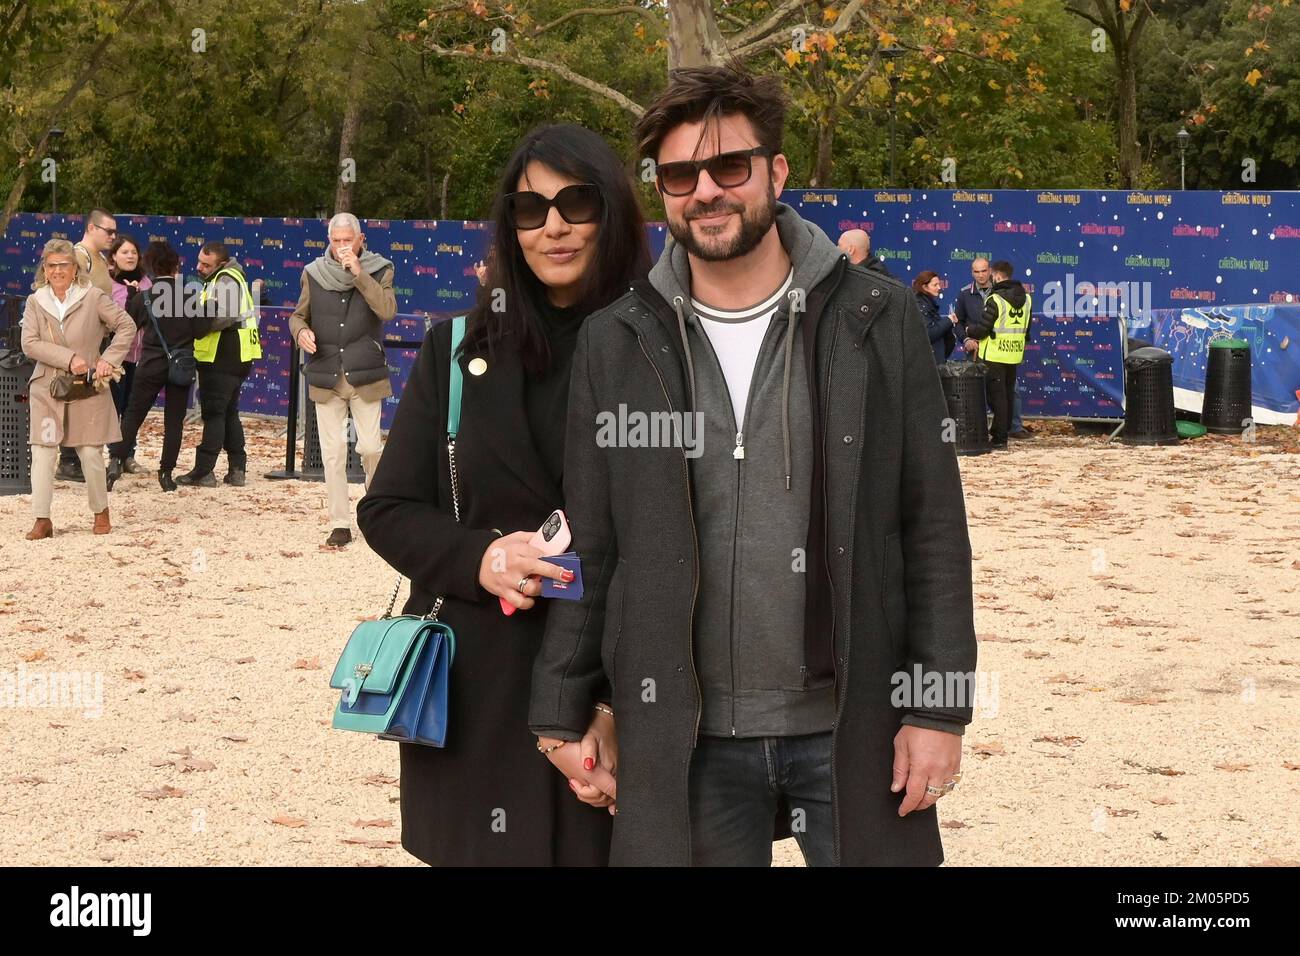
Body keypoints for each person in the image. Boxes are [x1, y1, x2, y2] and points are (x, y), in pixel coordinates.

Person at [529, 66, 977, 867]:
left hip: (855, 724)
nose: (706, 191)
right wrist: (562, 709)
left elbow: (932, 524)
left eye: (729, 166)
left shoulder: (878, 318)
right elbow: (591, 542)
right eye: (679, 175)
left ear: (775, 170)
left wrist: (940, 711)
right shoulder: (616, 340)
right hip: (683, 738)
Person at [357, 123, 651, 866]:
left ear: (610, 210)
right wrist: (481, 558)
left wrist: (609, 709)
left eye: (574, 203)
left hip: (620, 693)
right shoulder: (455, 350)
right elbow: (387, 510)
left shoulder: (663, 352)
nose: (552, 225)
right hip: (476, 697)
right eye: (529, 209)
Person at [289, 213, 395, 547]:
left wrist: (359, 274)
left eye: (348, 240)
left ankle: (376, 509)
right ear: (329, 240)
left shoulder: (380, 268)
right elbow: (297, 315)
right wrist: (301, 331)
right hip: (326, 372)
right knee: (333, 453)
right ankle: (339, 523)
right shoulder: (313, 272)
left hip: (365, 372)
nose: (342, 247)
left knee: (370, 447)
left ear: (361, 240)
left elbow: (387, 309)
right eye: (337, 241)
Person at [20, 238, 136, 538]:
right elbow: (29, 343)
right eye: (52, 265)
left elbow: (126, 326)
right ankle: (42, 519)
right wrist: (69, 358)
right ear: (44, 269)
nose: (58, 270)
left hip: (88, 388)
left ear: (75, 268)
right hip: (47, 389)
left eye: (64, 264)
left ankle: (101, 512)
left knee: (90, 452)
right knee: (43, 453)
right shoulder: (36, 301)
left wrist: (108, 360)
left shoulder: (93, 296)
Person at [108, 241, 194, 492]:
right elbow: (200, 329)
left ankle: (115, 463)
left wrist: (133, 297)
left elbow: (129, 322)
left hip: (151, 363)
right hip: (181, 363)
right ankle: (166, 474)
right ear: (176, 266)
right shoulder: (188, 296)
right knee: (174, 422)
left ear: (150, 267)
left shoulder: (145, 296)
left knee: (133, 416)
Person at [176, 241, 260, 487]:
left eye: (206, 264)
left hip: (222, 357)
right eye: (200, 261)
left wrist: (197, 325)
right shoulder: (231, 277)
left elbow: (221, 316)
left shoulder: (225, 279)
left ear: (221, 263)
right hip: (238, 356)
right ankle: (237, 470)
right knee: (228, 413)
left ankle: (204, 471)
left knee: (214, 413)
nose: (199, 267)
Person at [55, 208, 118, 483]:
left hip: (95, 338)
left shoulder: (99, 259)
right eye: (109, 231)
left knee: (85, 396)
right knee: (74, 395)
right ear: (92, 228)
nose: (113, 236)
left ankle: (76, 459)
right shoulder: (80, 257)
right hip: (78, 338)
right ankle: (69, 461)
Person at [955, 257, 1031, 438]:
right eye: (976, 272)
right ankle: (978, 430)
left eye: (983, 271)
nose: (980, 275)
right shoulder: (965, 293)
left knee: (1009, 391)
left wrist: (974, 331)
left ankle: (1012, 428)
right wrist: (966, 339)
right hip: (976, 350)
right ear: (971, 273)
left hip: (995, 350)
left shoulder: (1002, 292)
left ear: (991, 272)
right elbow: (958, 321)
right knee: (977, 392)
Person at [105, 234, 152, 485]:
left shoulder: (147, 284)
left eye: (133, 252)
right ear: (114, 256)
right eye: (125, 252)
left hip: (141, 356)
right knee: (114, 406)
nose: (130, 256)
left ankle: (129, 455)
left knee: (132, 409)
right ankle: (115, 455)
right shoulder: (109, 286)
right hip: (116, 357)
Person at [913, 270, 955, 364]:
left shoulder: (928, 304)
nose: (939, 287)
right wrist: (948, 320)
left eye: (939, 284)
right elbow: (929, 334)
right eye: (935, 285)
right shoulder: (919, 304)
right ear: (924, 287)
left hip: (933, 362)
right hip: (927, 364)